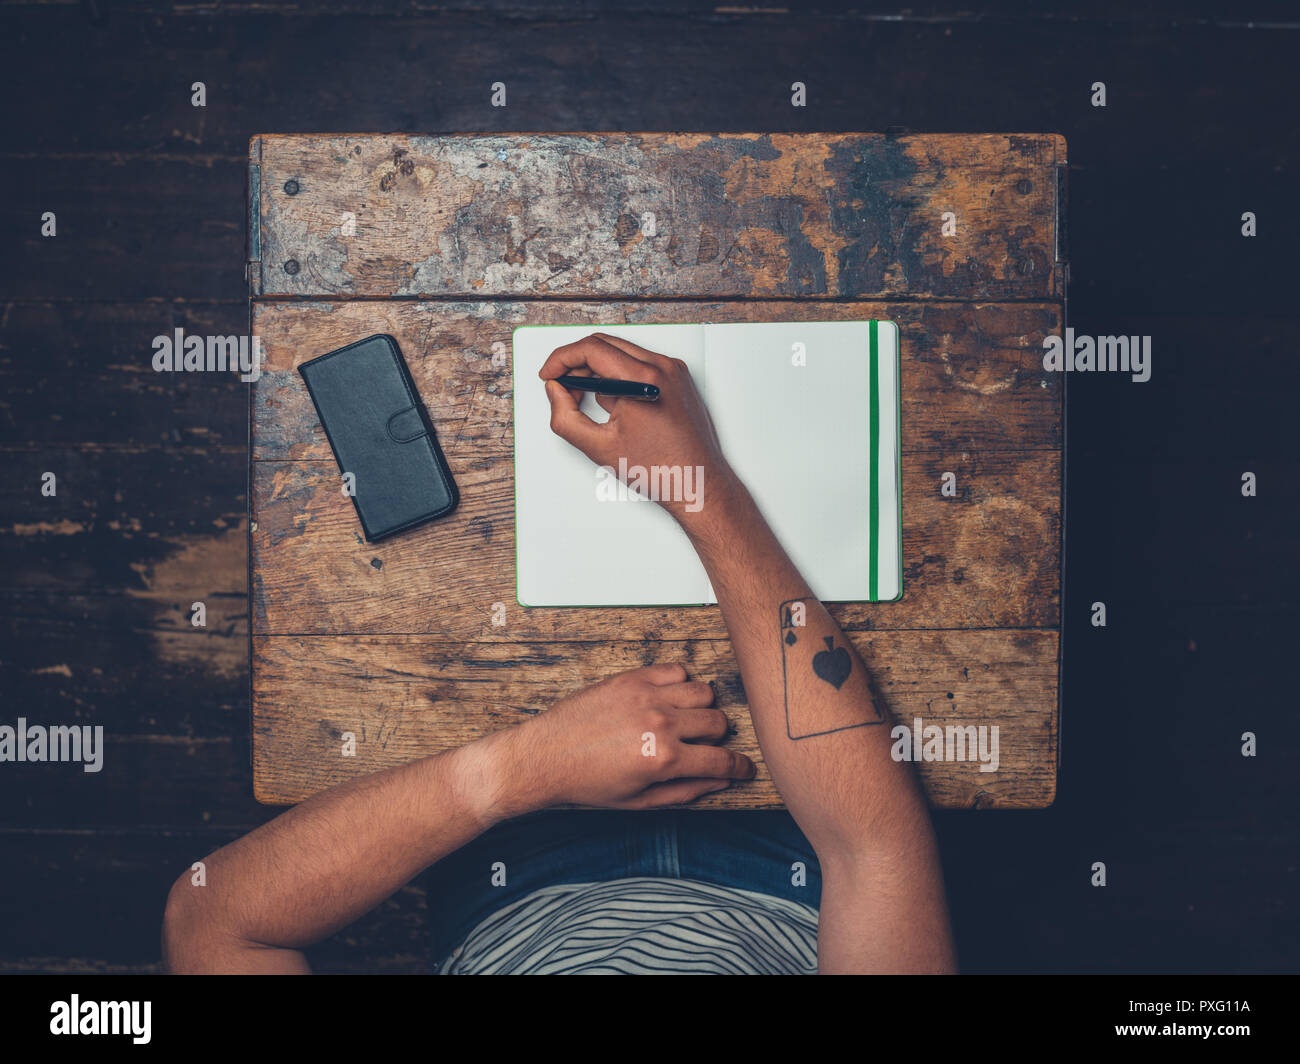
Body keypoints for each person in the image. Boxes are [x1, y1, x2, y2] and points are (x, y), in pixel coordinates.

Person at [163, 333, 956, 974]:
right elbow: (872, 850)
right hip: (795, 859)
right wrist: (700, 490)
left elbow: (213, 922)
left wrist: (522, 769)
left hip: (508, 873)